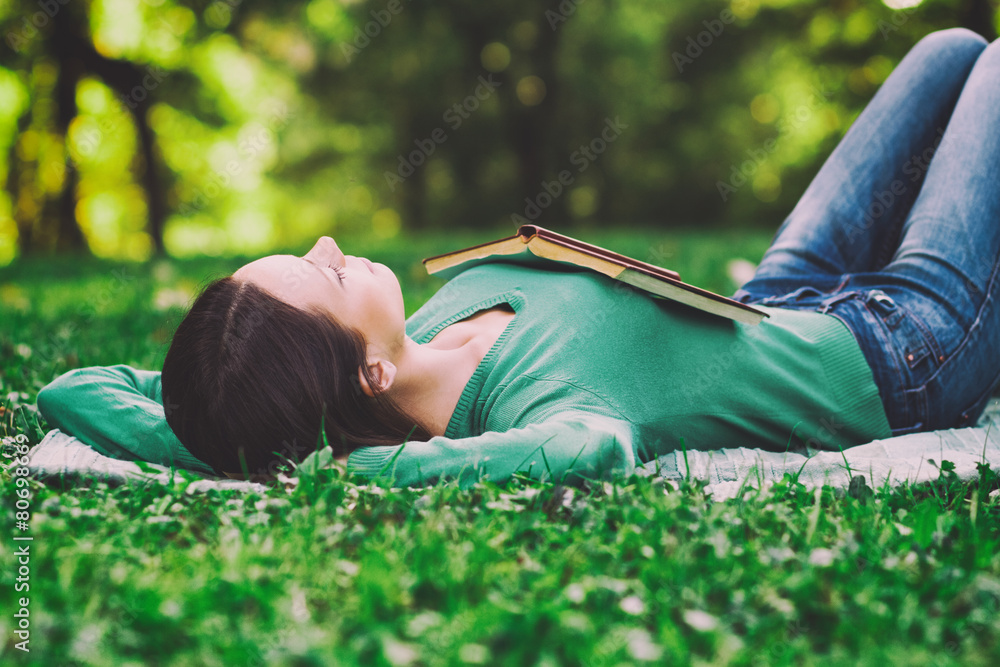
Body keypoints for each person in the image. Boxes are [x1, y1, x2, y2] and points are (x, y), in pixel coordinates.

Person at [36, 28, 1000, 487]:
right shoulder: (534, 418)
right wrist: (338, 471)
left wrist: (225, 426)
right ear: (366, 370)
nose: (329, 244)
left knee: (950, 48)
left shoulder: (418, 328)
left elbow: (74, 388)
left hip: (776, 297)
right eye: (320, 272)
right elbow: (591, 451)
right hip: (903, 353)